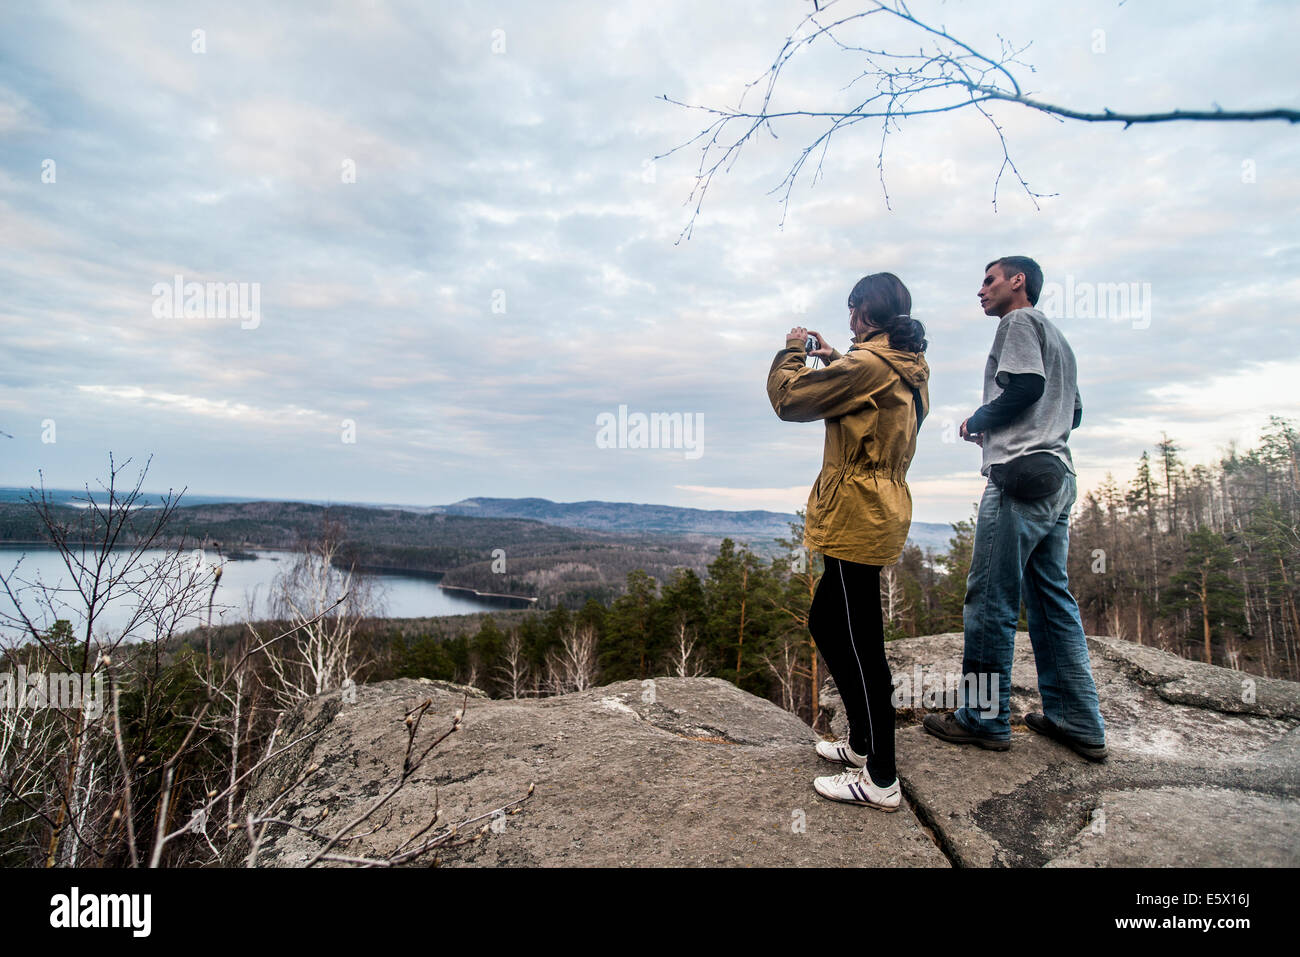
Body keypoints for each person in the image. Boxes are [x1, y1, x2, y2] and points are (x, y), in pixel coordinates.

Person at [921, 256, 1108, 761]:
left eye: (989, 281)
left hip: (1020, 480)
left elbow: (1025, 387)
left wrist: (978, 419)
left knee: (991, 599)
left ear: (1017, 282)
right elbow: (1074, 411)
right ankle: (1078, 720)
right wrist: (1018, 426)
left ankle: (983, 719)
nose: (981, 291)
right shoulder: (1058, 337)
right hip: (1059, 476)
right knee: (1052, 599)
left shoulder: (1019, 322)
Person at [766, 272, 930, 810]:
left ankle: (882, 778)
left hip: (859, 510)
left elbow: (789, 400)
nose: (849, 318)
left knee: (864, 644)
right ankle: (862, 743)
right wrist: (840, 355)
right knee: (826, 622)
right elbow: (867, 392)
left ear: (865, 313)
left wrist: (793, 352)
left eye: (852, 310)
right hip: (876, 506)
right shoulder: (906, 364)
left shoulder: (868, 367)